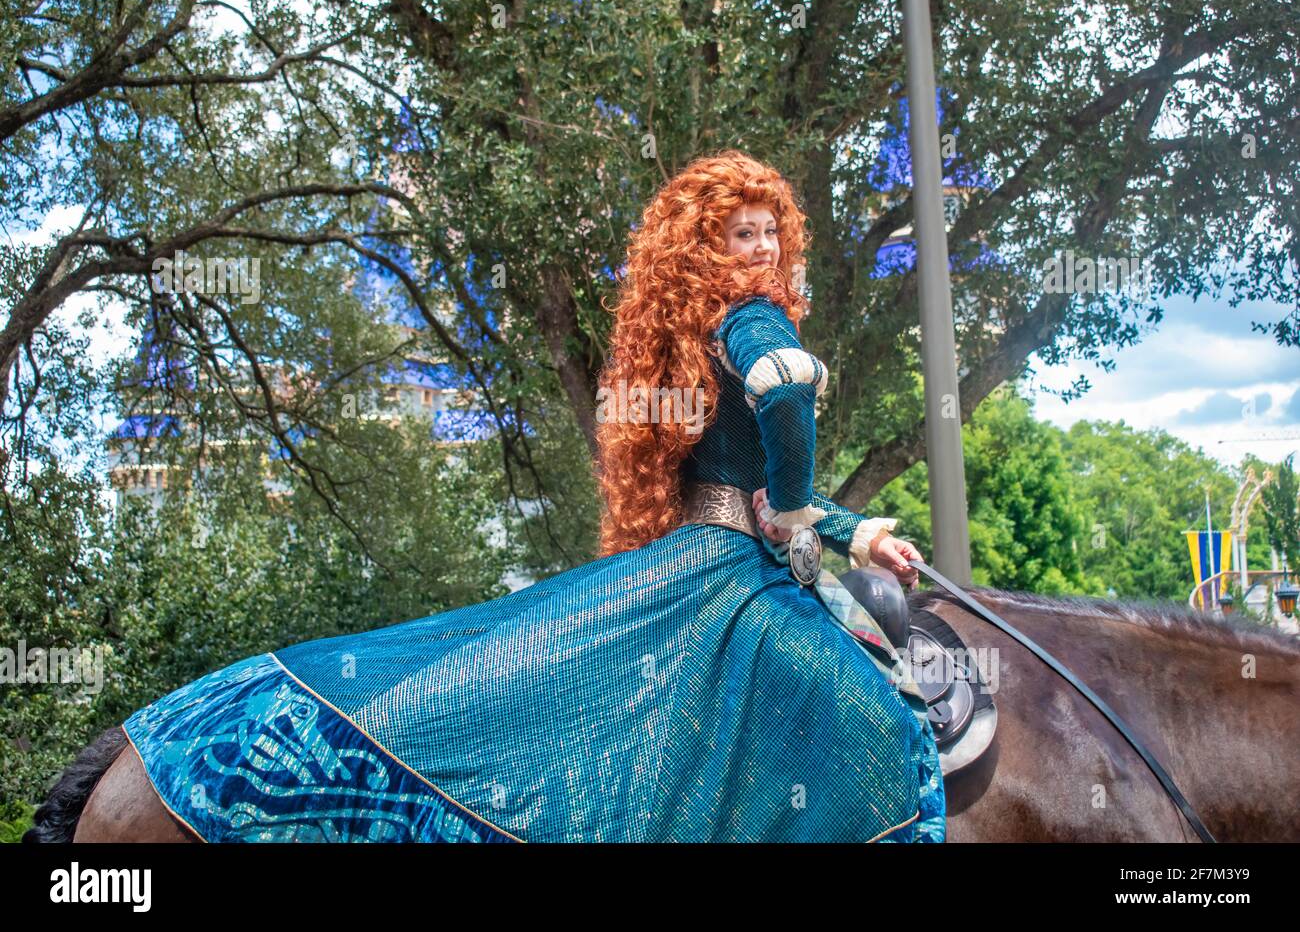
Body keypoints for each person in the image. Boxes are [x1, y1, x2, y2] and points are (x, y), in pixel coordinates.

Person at [120, 149, 946, 842]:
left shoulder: (691, 336)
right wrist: (804, 514)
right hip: (737, 579)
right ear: (707, 246)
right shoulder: (753, 322)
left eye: (771, 232)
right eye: (743, 233)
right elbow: (785, 394)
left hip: (696, 560)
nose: (764, 248)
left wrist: (855, 534)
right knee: (880, 730)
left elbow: (749, 480)